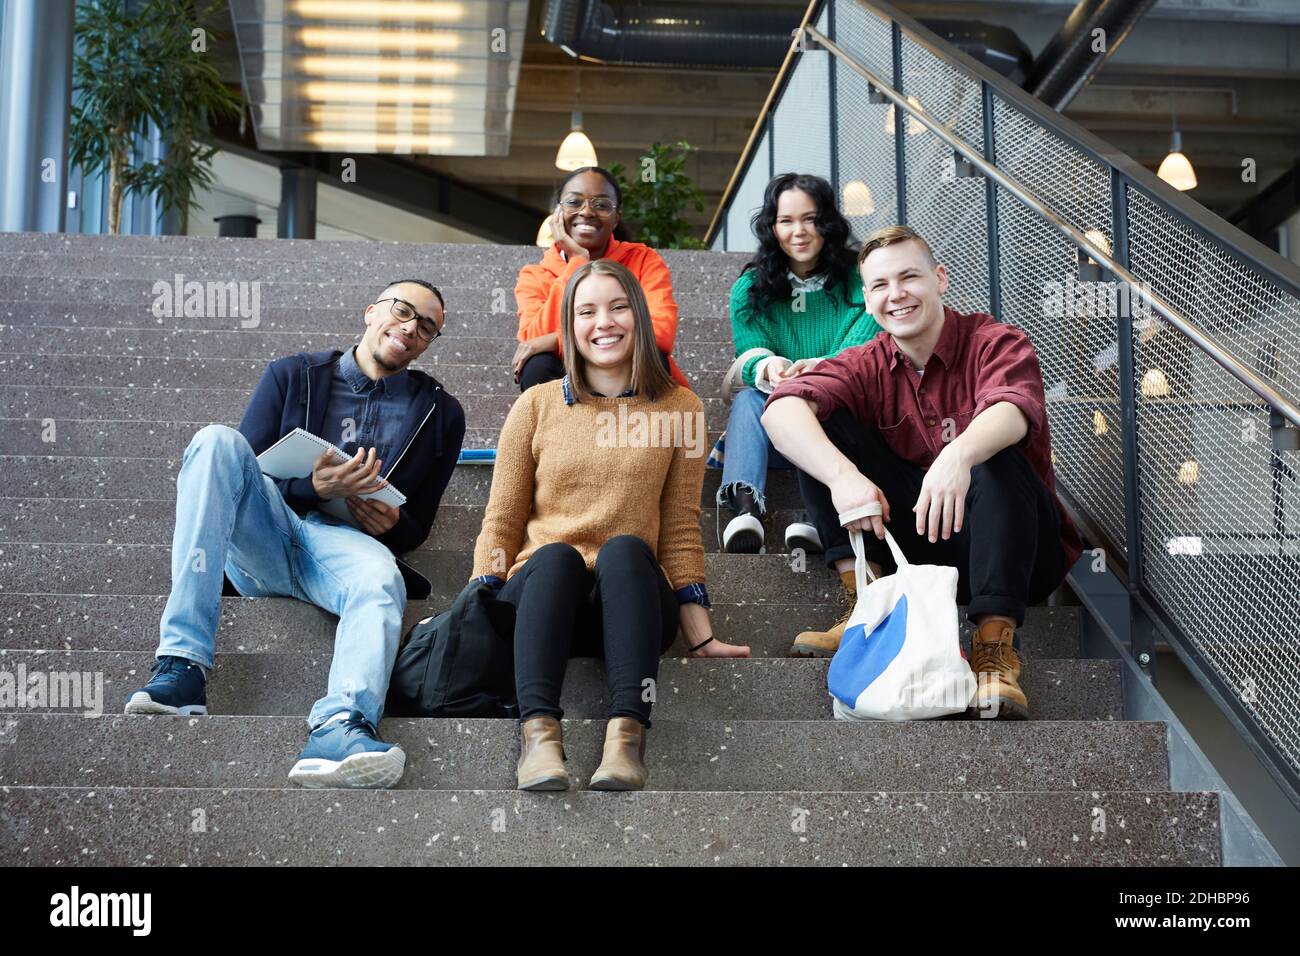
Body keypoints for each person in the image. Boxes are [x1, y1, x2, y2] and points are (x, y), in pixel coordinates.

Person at [124, 280, 466, 788]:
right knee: (217, 441)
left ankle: (339, 727)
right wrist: (311, 487)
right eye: (403, 311)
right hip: (267, 533)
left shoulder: (441, 412)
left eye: (427, 326)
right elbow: (242, 475)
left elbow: (419, 524)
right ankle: (182, 667)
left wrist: (395, 524)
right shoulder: (292, 374)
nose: (411, 328)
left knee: (381, 575)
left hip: (343, 549)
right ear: (371, 311)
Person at [762, 226, 1083, 718]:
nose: (896, 295)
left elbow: (1013, 410)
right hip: (918, 544)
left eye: (909, 277)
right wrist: (844, 477)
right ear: (867, 300)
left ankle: (995, 647)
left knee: (994, 454)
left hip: (1015, 550)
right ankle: (864, 603)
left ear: (939, 279)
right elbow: (779, 411)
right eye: (880, 285)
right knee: (818, 424)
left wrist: (958, 457)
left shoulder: (994, 341)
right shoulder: (863, 363)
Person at [473, 259, 748, 793]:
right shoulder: (536, 405)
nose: (605, 322)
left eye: (619, 306)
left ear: (639, 317)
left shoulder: (681, 408)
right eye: (587, 311)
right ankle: (539, 739)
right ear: (569, 326)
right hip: (543, 601)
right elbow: (502, 520)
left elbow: (679, 528)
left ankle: (626, 739)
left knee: (624, 550)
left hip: (630, 604)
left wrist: (700, 633)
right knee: (556, 556)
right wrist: (481, 595)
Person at [718, 173, 881, 554]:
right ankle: (745, 513)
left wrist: (818, 371)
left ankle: (818, 515)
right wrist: (770, 365)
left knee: (844, 410)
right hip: (779, 428)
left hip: (841, 416)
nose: (799, 232)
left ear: (828, 223)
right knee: (748, 401)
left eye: (810, 219)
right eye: (786, 221)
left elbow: (863, 353)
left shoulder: (862, 280)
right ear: (771, 227)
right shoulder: (750, 288)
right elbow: (749, 354)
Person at [512, 165, 689, 391]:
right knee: (538, 365)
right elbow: (533, 341)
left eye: (602, 205)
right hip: (570, 381)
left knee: (652, 355)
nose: (586, 212)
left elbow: (660, 333)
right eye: (574, 202)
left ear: (616, 218)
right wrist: (578, 260)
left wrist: (556, 340)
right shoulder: (534, 276)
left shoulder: (643, 259)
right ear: (556, 215)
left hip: (632, 379)